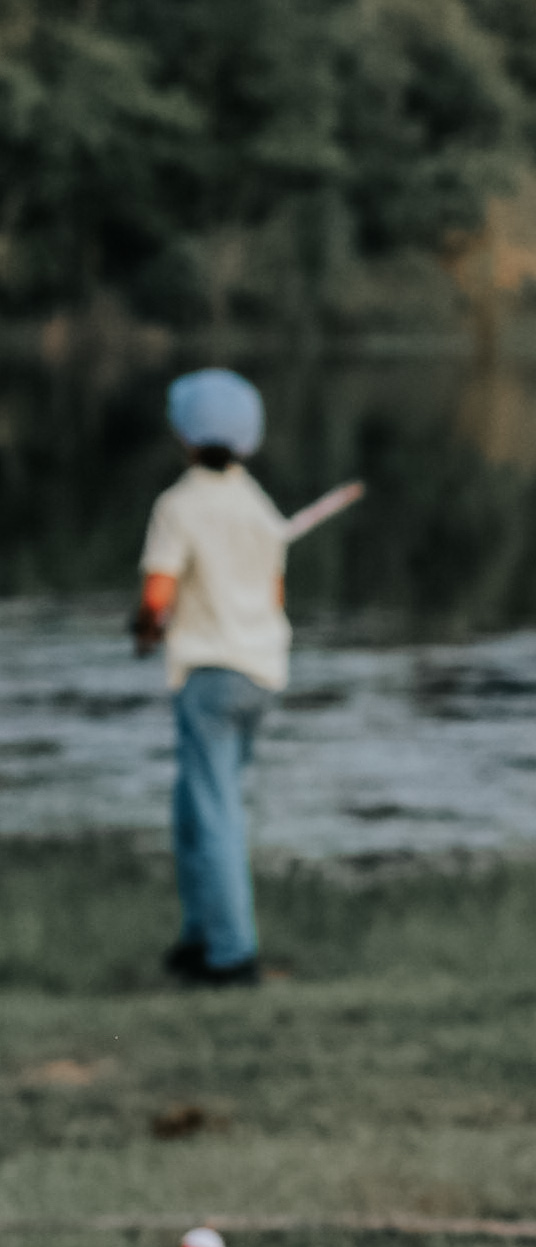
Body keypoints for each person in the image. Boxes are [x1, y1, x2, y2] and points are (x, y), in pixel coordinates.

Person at [133, 367, 291, 987]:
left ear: (183, 436)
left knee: (214, 807)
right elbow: (274, 592)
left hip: (209, 672)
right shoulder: (260, 507)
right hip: (263, 671)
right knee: (196, 806)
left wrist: (146, 630)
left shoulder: (178, 505)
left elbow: (157, 595)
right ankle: (199, 936)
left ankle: (231, 955)